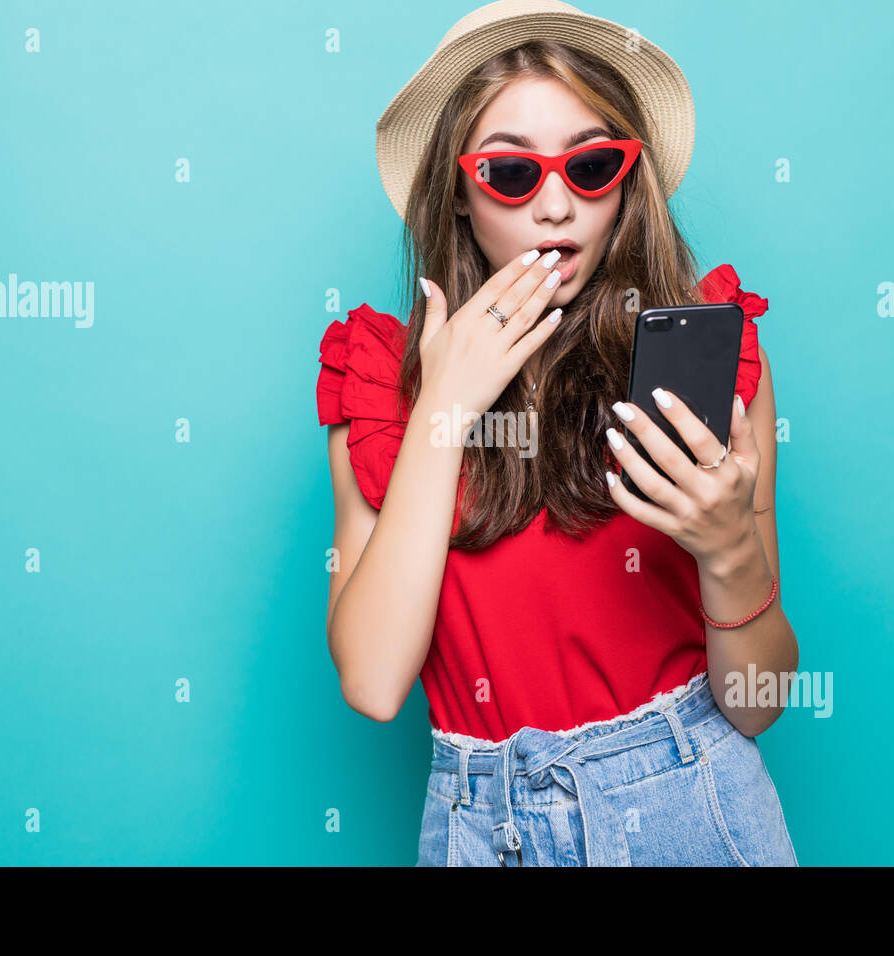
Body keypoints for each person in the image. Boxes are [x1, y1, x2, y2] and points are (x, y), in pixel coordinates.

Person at [316, 0, 799, 866]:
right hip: (477, 827)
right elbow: (376, 681)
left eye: (591, 166)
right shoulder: (381, 390)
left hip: (689, 804)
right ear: (459, 196)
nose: (555, 207)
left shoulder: (708, 370)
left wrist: (731, 553)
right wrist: (443, 414)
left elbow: (756, 703)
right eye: (511, 175)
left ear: (628, 180)